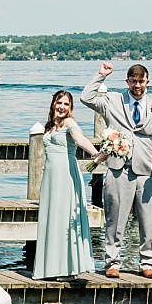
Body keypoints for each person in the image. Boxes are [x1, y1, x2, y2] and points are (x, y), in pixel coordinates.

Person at [80, 61, 152, 279]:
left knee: (148, 218)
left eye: (141, 81)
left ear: (148, 81)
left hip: (147, 169)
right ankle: (112, 262)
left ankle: (147, 262)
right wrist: (101, 75)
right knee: (115, 217)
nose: (137, 85)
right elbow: (86, 97)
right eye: (133, 81)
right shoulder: (112, 100)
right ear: (127, 81)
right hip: (119, 168)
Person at [33, 90, 98, 280]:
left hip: (66, 175)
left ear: (70, 108)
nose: (62, 107)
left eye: (66, 104)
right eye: (59, 103)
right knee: (51, 218)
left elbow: (80, 140)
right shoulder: (50, 126)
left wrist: (95, 154)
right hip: (50, 178)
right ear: (53, 104)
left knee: (64, 217)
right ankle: (49, 267)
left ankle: (68, 268)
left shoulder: (70, 123)